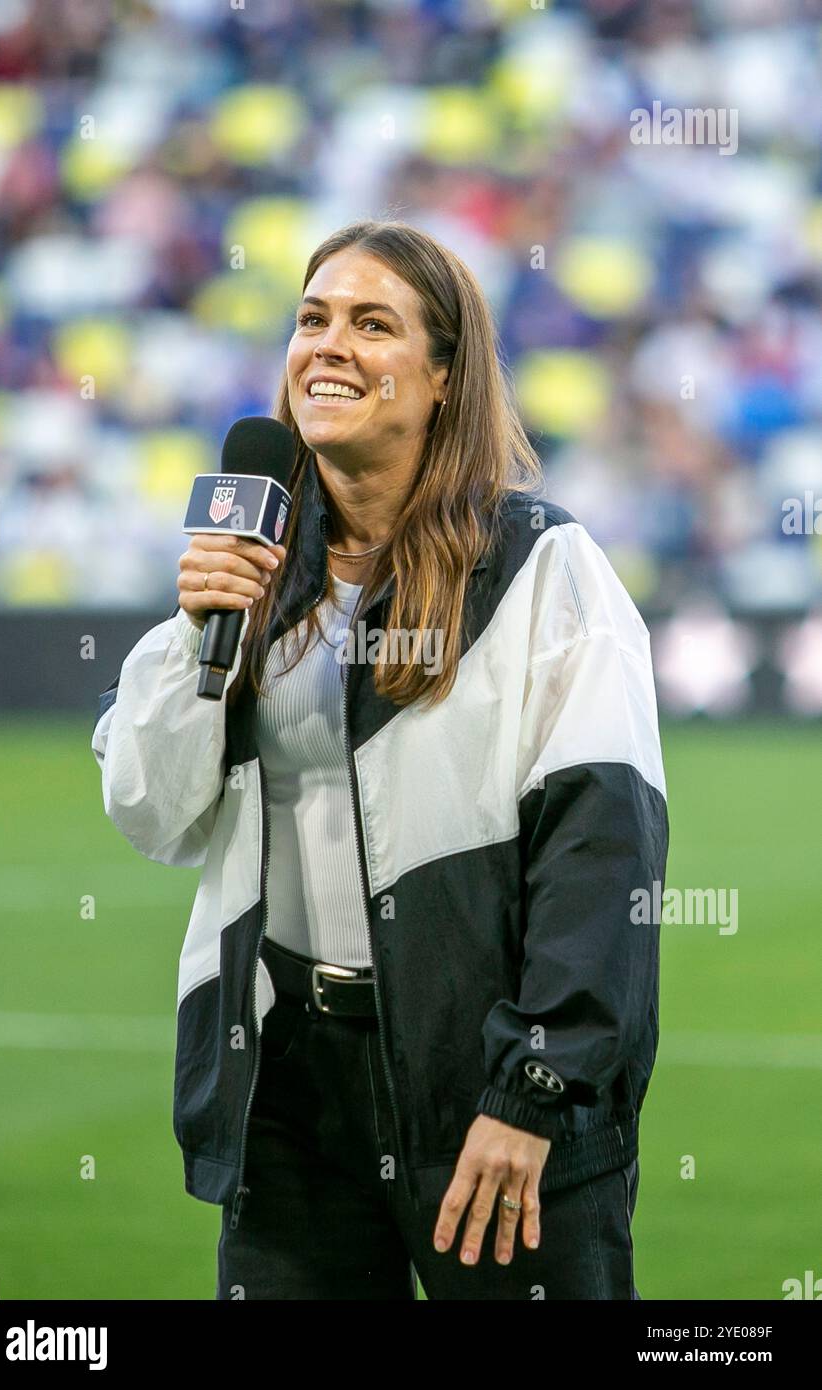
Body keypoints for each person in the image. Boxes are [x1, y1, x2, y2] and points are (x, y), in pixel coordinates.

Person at [91, 219, 668, 1300]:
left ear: (444, 377)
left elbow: (603, 852)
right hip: (290, 1094)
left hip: (481, 1077)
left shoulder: (545, 570)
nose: (328, 346)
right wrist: (195, 635)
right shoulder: (250, 568)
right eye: (311, 319)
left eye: (371, 324)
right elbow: (150, 813)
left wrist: (535, 1086)